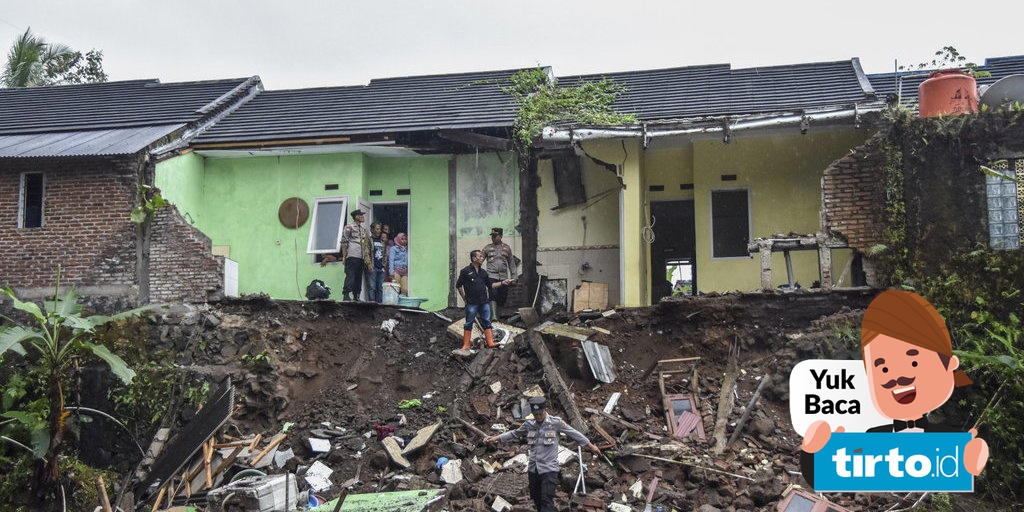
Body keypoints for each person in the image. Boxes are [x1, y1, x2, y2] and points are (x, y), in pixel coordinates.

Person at [799, 290, 988, 487]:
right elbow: (834, 470)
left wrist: (970, 460)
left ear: (949, 364)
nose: (897, 378)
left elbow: (961, 464)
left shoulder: (948, 441)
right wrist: (816, 454)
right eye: (884, 368)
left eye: (913, 363)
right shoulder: (875, 436)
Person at [484, 396, 602, 512]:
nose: (539, 417)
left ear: (545, 410)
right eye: (536, 415)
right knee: (537, 500)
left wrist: (591, 446)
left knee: (546, 500)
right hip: (534, 470)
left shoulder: (556, 423)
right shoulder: (529, 424)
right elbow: (515, 433)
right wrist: (496, 438)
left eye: (541, 414)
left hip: (549, 470)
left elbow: (575, 434)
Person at [456, 249, 512, 350]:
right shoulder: (465, 271)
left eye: (482, 257)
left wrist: (503, 283)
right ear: (474, 258)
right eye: (480, 256)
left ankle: (490, 342)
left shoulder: (483, 273)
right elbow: (459, 285)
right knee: (469, 323)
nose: (482, 258)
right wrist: (464, 297)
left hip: (484, 302)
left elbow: (490, 285)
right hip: (471, 303)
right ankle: (466, 344)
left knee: (487, 321)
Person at [483, 227, 517, 319]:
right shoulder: (487, 248)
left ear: (501, 236)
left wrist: (514, 277)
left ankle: (498, 317)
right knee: (493, 295)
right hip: (491, 276)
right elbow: (479, 261)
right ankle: (494, 318)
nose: (493, 238)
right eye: (492, 236)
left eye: (495, 236)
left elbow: (512, 263)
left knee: (502, 297)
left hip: (503, 277)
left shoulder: (507, 248)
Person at [340, 209, 371, 301]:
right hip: (352, 255)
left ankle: (356, 295)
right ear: (356, 216)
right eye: (361, 215)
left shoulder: (363, 229)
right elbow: (344, 242)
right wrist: (344, 256)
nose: (363, 217)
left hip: (361, 257)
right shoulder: (349, 227)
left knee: (358, 277)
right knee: (350, 275)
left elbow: (365, 244)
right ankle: (346, 294)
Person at [366, 223, 389, 302]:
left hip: (380, 268)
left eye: (379, 229)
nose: (379, 231)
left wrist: (384, 266)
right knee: (372, 287)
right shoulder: (369, 240)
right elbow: (366, 253)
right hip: (373, 267)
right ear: (372, 230)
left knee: (380, 288)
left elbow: (385, 254)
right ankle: (372, 304)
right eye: (377, 229)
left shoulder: (382, 241)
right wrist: (369, 264)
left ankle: (380, 305)